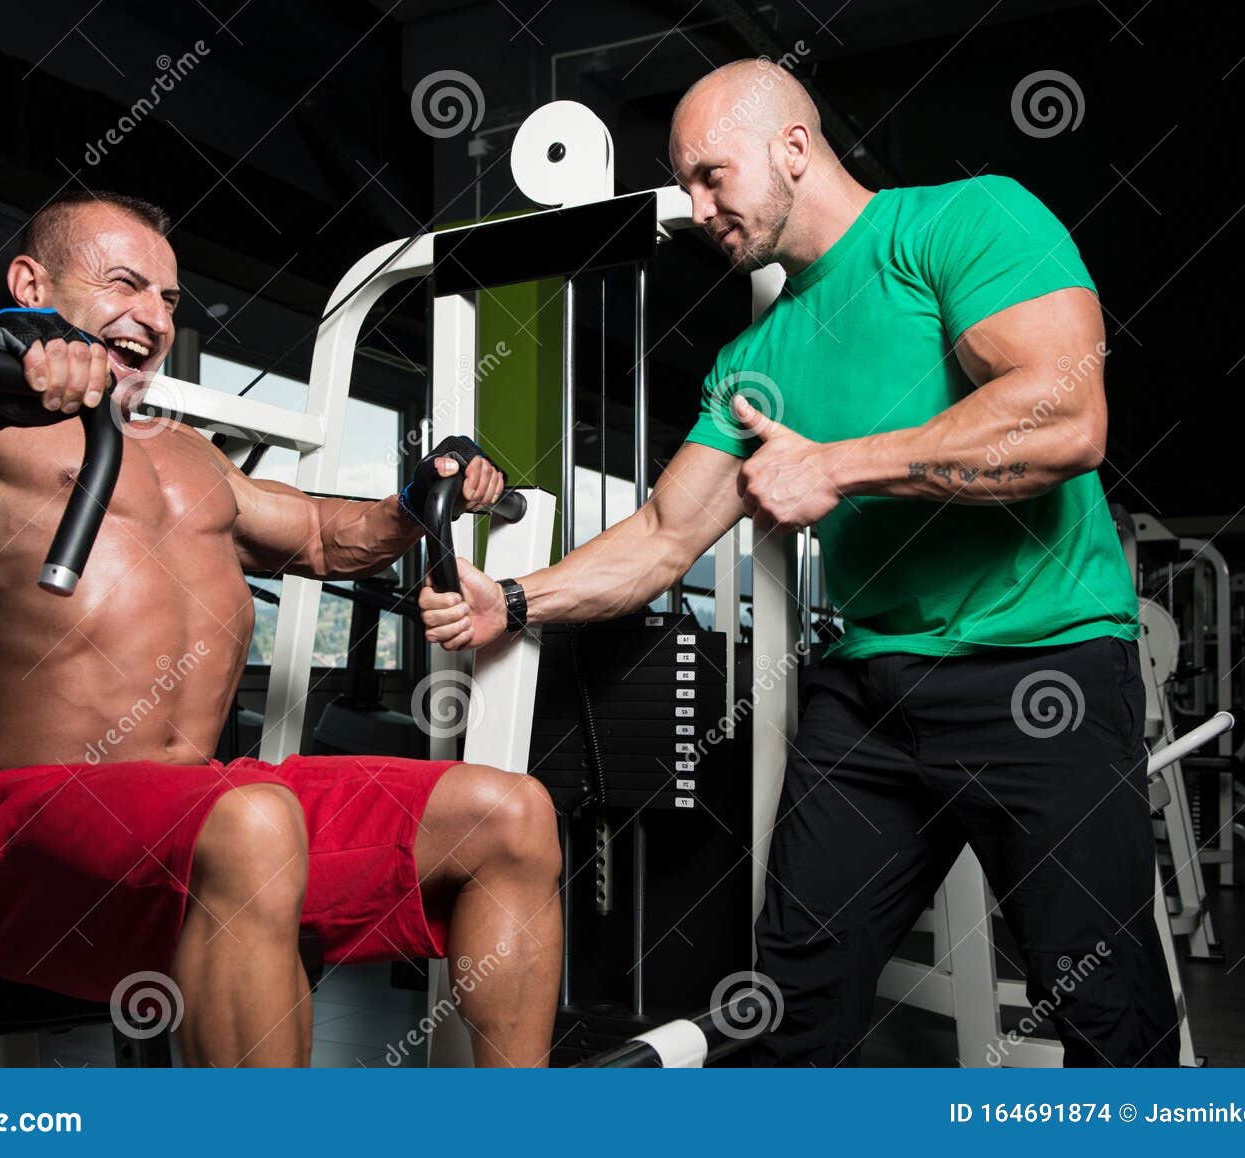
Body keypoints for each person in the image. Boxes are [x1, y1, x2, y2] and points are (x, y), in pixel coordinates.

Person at [418, 59, 1177, 1067]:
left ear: (792, 147)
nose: (696, 209)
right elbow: (663, 537)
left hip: (1043, 670)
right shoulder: (752, 362)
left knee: (1104, 1014)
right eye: (684, 185)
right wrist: (512, 600)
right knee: (787, 1006)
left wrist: (836, 465)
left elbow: (1063, 418)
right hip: (871, 697)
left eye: (710, 176)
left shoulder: (961, 223)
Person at [0, 190, 562, 1067]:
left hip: (210, 812)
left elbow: (321, 535)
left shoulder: (191, 456)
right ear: (31, 286)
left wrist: (416, 496)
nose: (156, 320)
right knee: (252, 820)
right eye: (126, 285)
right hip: (21, 834)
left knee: (510, 814)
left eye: (167, 300)